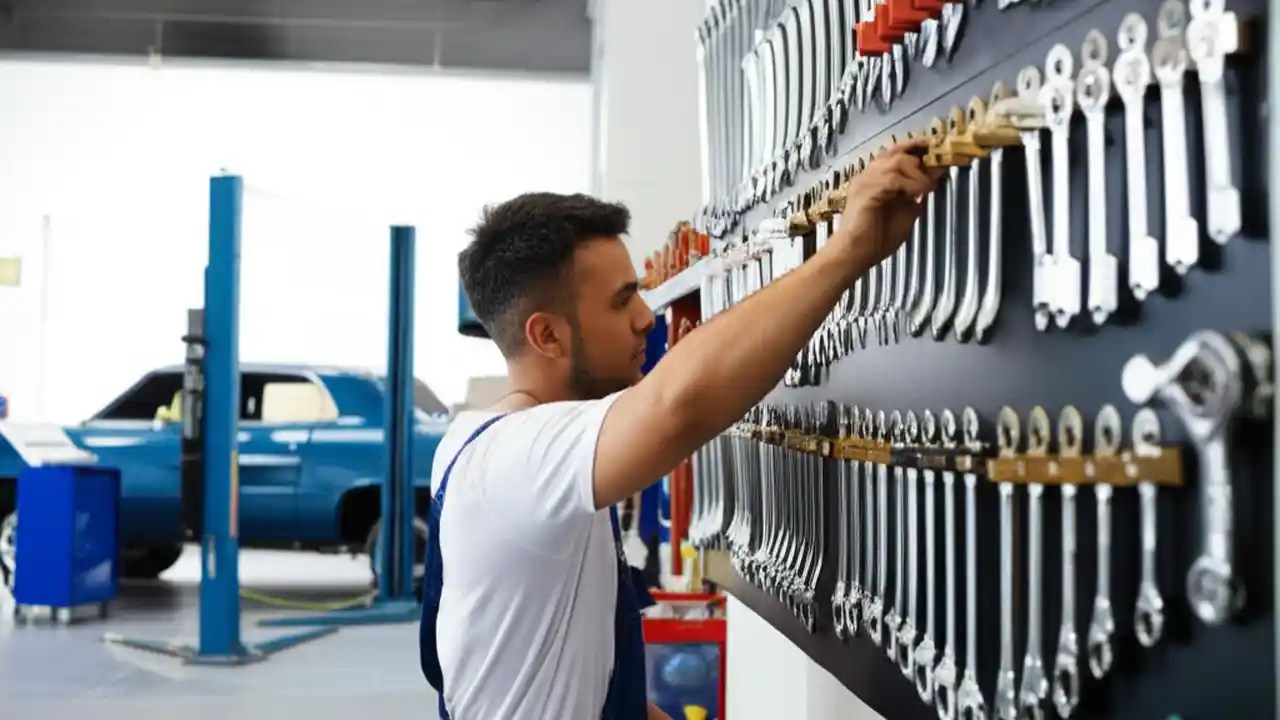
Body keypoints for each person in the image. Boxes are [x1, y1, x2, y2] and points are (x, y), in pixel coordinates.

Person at [420, 139, 942, 719]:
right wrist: (850, 249)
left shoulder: (487, 447)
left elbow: (559, 667)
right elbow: (678, 405)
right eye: (622, 303)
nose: (647, 317)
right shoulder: (519, 459)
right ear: (547, 336)